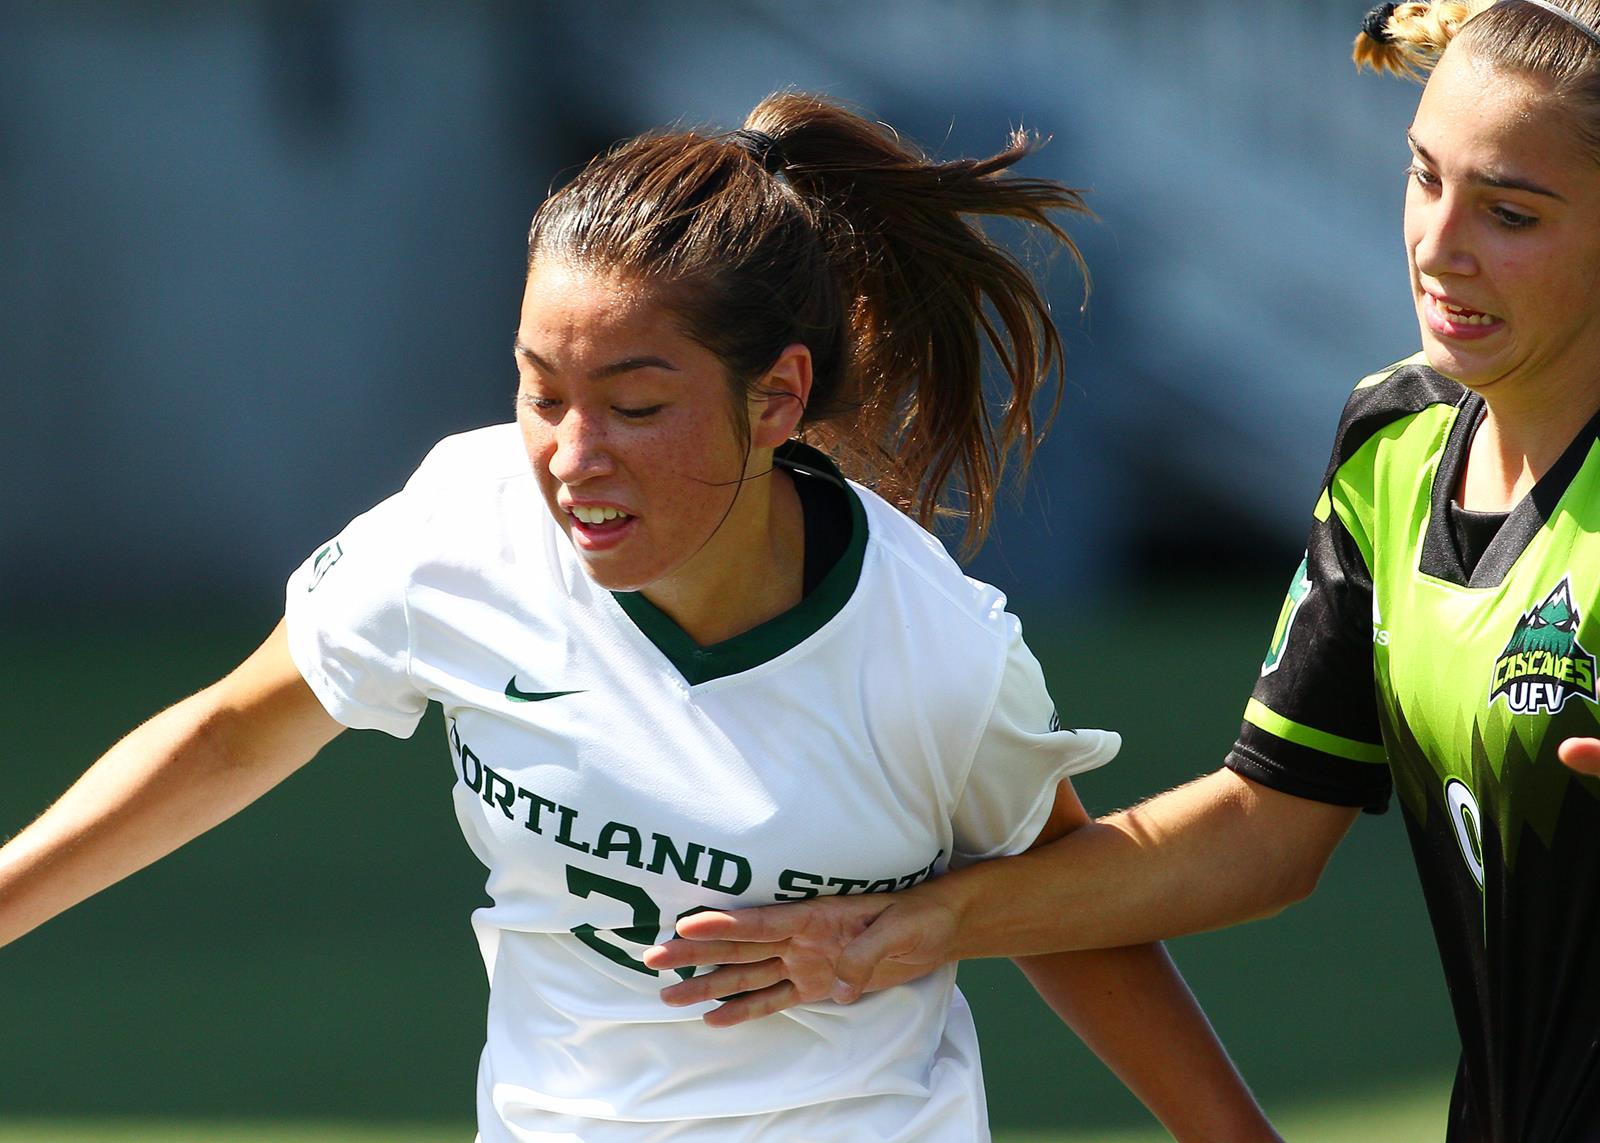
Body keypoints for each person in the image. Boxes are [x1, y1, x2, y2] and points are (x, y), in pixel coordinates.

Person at [0, 93, 1279, 1141]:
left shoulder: (933, 650)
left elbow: (1064, 904)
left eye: (634, 403)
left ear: (776, 399)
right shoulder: (462, 530)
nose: (570, 453)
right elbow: (232, 729)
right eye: (540, 391)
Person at [643, 6, 1600, 1141]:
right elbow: (1263, 829)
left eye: (1509, 213)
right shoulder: (1393, 447)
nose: (1439, 246)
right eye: (1422, 178)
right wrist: (903, 926)